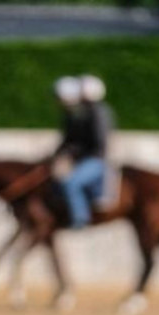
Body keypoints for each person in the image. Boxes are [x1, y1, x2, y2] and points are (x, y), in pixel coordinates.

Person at [52, 73, 115, 229]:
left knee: (71, 183)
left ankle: (80, 219)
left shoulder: (97, 113)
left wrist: (74, 153)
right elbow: (69, 139)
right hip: (84, 158)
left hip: (96, 160)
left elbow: (97, 144)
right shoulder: (79, 113)